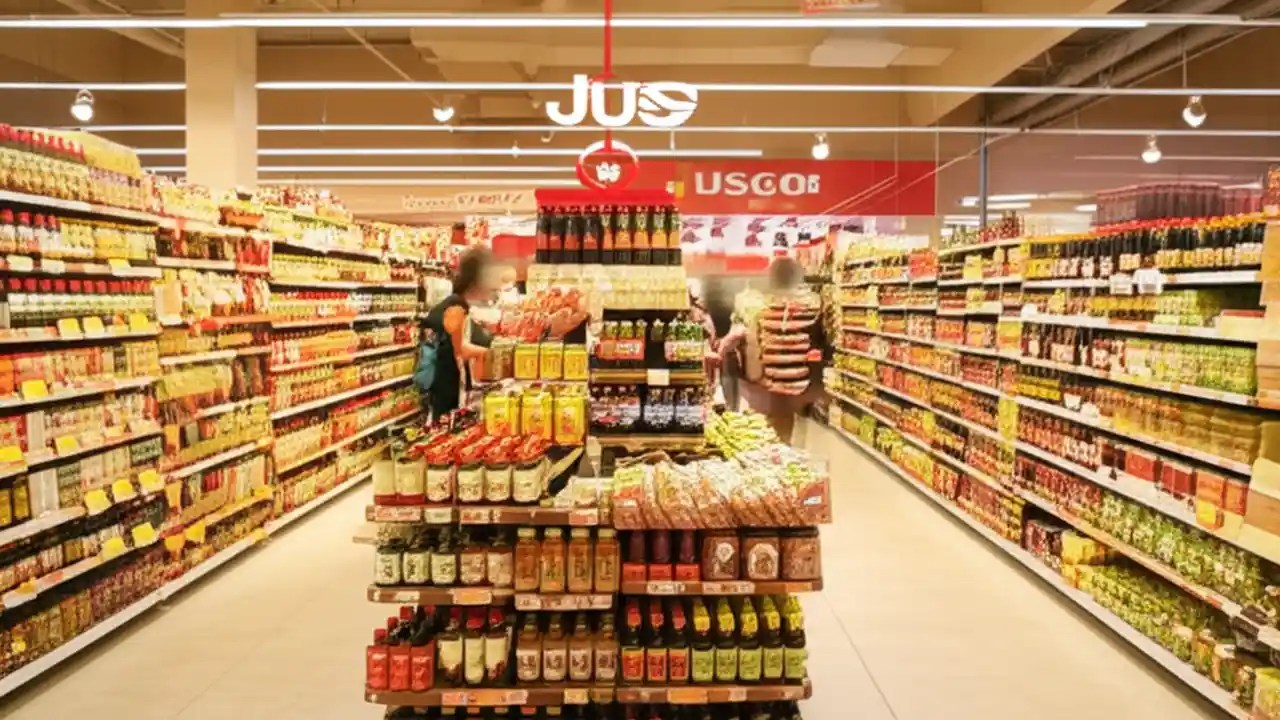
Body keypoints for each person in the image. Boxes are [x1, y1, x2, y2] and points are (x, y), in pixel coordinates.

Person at [419, 247, 496, 419]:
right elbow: (460, 350)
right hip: (448, 393)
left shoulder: (458, 305)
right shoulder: (456, 308)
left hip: (449, 390)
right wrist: (493, 353)